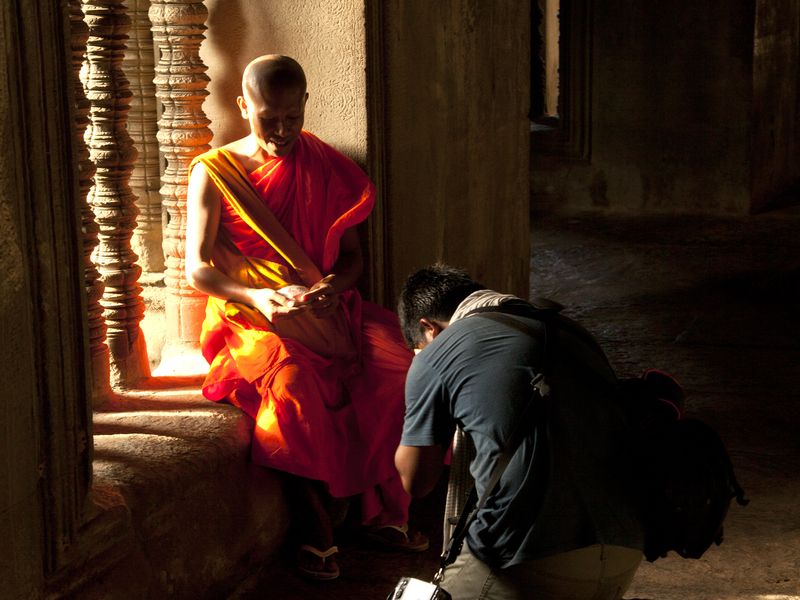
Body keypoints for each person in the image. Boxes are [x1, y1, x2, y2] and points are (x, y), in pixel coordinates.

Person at [184, 54, 427, 580]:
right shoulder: (215, 172)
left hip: (328, 309)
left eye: (292, 117)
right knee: (293, 391)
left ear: (305, 106)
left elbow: (352, 261)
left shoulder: (323, 163)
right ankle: (316, 526)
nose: (281, 130)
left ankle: (381, 512)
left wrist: (328, 289)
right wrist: (261, 298)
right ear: (242, 104)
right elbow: (198, 270)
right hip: (251, 318)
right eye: (268, 117)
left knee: (400, 371)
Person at [395, 264, 644, 600]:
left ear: (428, 328)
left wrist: (421, 380)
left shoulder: (440, 352)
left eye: (419, 348)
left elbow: (416, 480)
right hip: (624, 547)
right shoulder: (570, 330)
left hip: (527, 554)